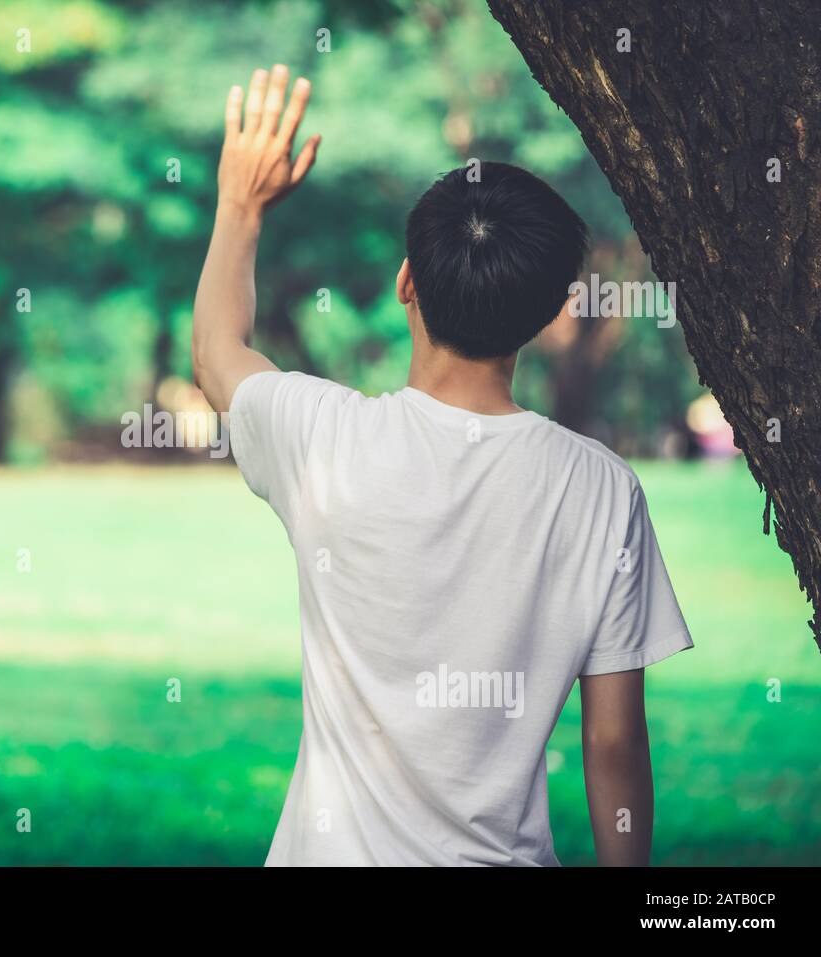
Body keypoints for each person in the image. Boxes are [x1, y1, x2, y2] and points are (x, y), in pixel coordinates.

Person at [192, 65, 693, 866]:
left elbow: (217, 354)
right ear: (544, 316)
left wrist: (240, 204)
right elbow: (614, 739)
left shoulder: (323, 440)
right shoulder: (601, 488)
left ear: (405, 285)